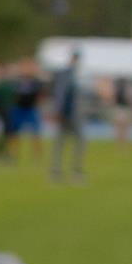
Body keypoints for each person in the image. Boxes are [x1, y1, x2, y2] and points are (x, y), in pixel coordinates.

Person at [48, 49, 87, 183]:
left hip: (74, 114)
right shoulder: (65, 74)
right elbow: (60, 94)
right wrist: (58, 111)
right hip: (66, 114)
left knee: (77, 143)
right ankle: (56, 171)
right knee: (61, 143)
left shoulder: (78, 74)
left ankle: (75, 171)